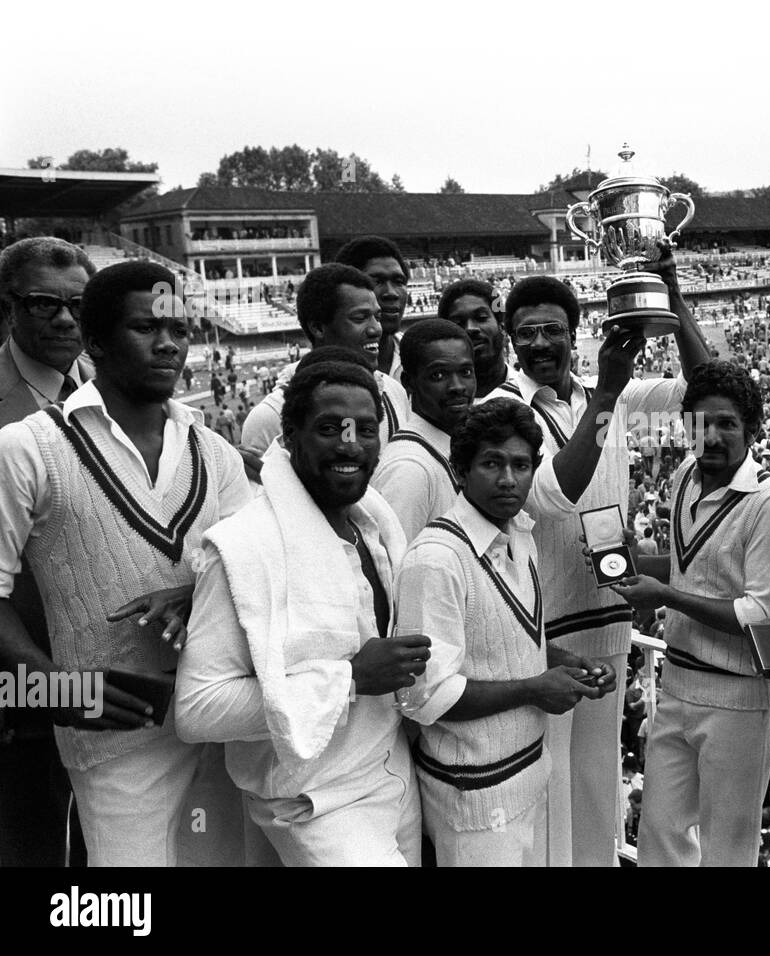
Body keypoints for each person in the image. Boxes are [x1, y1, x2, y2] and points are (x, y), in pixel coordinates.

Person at [0, 261, 252, 865]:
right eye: (146, 328)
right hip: (112, 741)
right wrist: (53, 686)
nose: (168, 345)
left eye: (179, 329)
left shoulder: (214, 451)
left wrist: (198, 592)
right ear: (95, 342)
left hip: (216, 723)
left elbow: (257, 572)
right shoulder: (29, 448)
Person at [501, 257, 711, 866]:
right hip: (543, 636)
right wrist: (612, 392)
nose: (541, 343)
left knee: (597, 796)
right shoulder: (504, 404)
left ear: (575, 334)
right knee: (546, 802)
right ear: (512, 339)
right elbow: (551, 495)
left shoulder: (611, 401)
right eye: (527, 331)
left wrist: (670, 298)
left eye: (552, 330)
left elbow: (705, 392)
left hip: (608, 621)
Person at [176, 356, 426, 865]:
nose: (350, 443)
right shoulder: (245, 547)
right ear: (289, 436)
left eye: (365, 430)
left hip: (392, 767)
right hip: (314, 800)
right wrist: (349, 679)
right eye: (330, 428)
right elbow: (197, 709)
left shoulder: (376, 523)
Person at [391, 399, 615, 865]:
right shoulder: (436, 560)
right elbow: (426, 697)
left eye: (520, 465)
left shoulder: (520, 534)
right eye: (492, 464)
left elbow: (507, 640)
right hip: (472, 793)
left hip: (526, 773)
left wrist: (562, 662)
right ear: (461, 470)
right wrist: (535, 689)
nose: (509, 479)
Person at [610, 361, 770, 866]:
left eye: (727, 424)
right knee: (661, 835)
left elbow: (758, 612)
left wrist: (665, 595)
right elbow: (689, 568)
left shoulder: (768, 503)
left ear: (750, 429)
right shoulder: (687, 476)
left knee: (727, 847)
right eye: (700, 424)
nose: (711, 436)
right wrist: (635, 563)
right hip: (679, 683)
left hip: (739, 696)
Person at [0, 237, 97, 865]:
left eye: (80, 304)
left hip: (112, 687)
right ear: (8, 306)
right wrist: (42, 681)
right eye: (44, 304)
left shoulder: (110, 390)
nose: (66, 319)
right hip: (27, 694)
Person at [239, 264, 409, 456]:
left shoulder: (393, 391)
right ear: (318, 328)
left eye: (377, 317)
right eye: (360, 318)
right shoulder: (270, 417)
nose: (376, 329)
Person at [370, 319, 475, 542]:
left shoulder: (453, 445)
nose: (457, 386)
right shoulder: (408, 469)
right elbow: (395, 569)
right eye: (438, 375)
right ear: (408, 382)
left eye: (465, 372)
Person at [334, 235, 409, 380]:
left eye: (398, 281)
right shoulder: (299, 383)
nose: (391, 293)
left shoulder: (422, 357)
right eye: (376, 281)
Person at [438, 278, 510, 398]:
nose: (470, 328)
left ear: (502, 326)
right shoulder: (435, 408)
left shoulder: (537, 395)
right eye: (458, 323)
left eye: (481, 317)